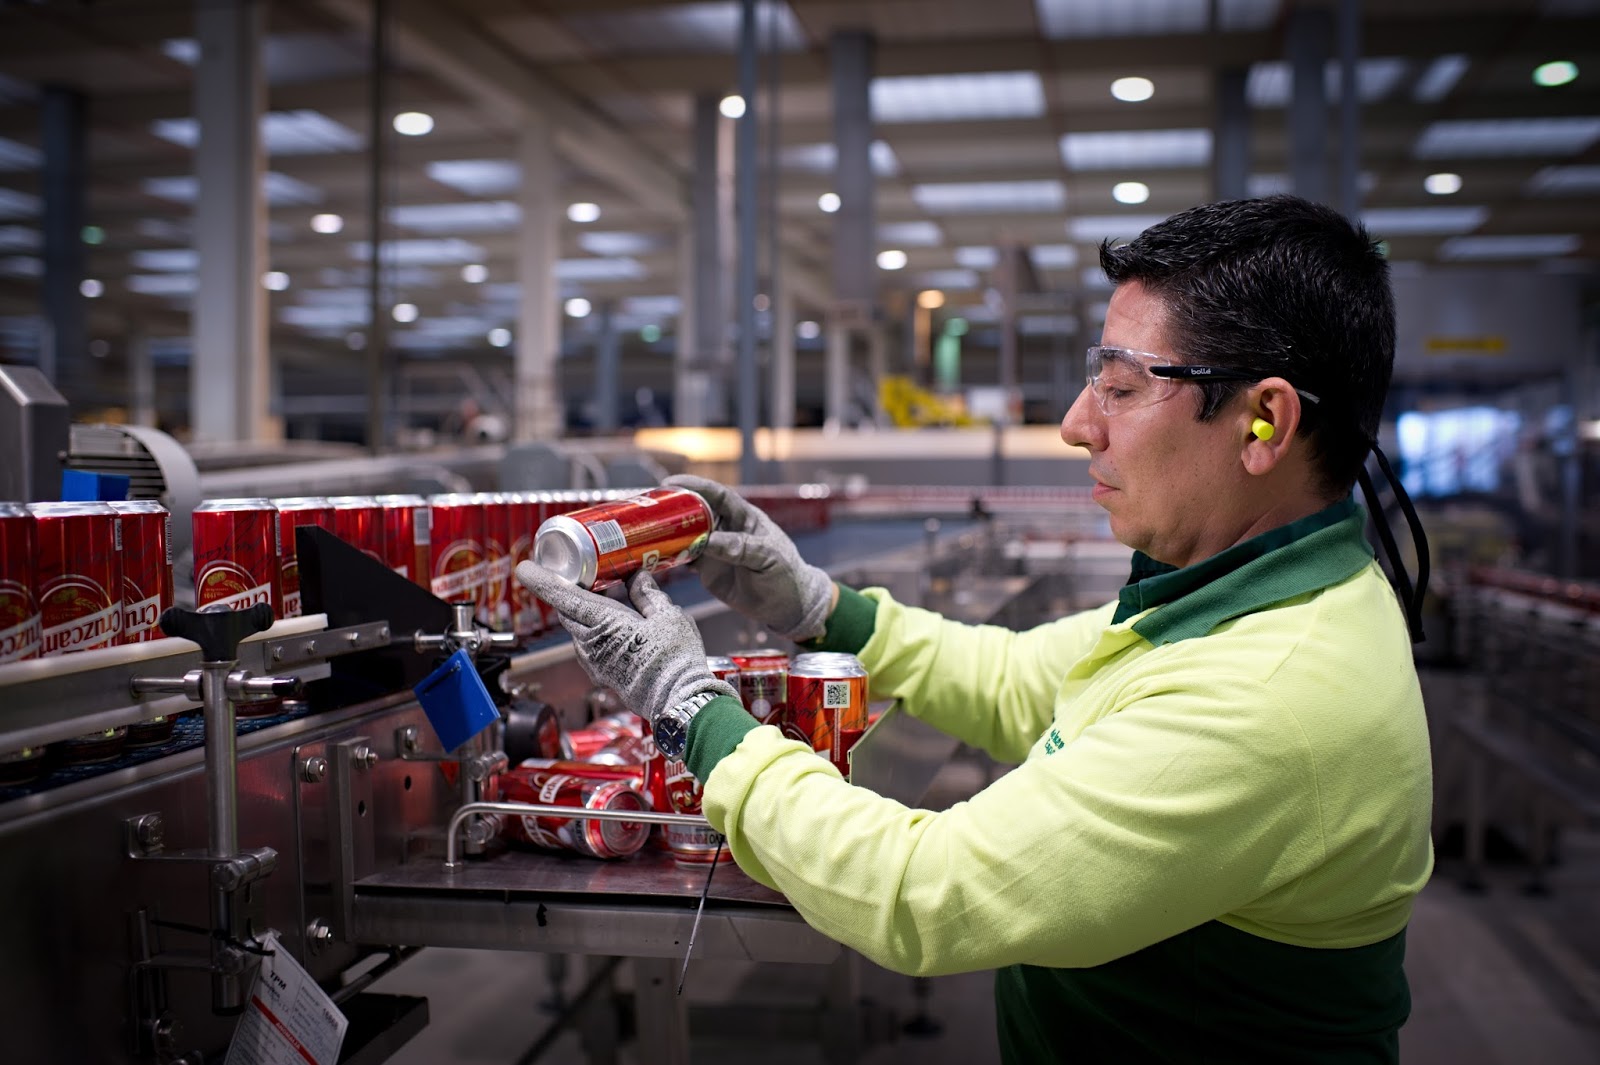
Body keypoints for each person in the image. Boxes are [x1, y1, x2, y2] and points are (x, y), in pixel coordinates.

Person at [517, 195, 1435, 1064]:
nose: (1077, 424)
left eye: (1118, 386)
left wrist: (692, 710)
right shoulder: (1247, 595)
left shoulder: (1267, 692)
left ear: (1263, 419)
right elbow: (1018, 680)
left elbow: (928, 892)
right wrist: (815, 606)